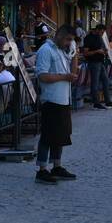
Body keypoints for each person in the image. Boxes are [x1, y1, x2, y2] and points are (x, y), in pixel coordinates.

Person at [33, 25, 78, 185]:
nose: (68, 43)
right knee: (48, 135)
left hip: (64, 98)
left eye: (71, 41)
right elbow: (42, 75)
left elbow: (73, 74)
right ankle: (42, 169)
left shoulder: (62, 50)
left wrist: (74, 54)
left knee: (61, 135)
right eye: (68, 39)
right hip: (51, 99)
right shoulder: (46, 50)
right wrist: (63, 77)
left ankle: (57, 166)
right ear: (59, 36)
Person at [82, 24, 112, 109]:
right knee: (95, 83)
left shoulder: (99, 37)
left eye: (103, 32)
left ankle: (108, 101)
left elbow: (101, 49)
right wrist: (97, 51)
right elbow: (85, 53)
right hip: (93, 62)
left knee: (106, 81)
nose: (102, 33)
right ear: (97, 29)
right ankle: (96, 102)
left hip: (100, 62)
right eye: (101, 31)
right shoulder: (88, 38)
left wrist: (105, 51)